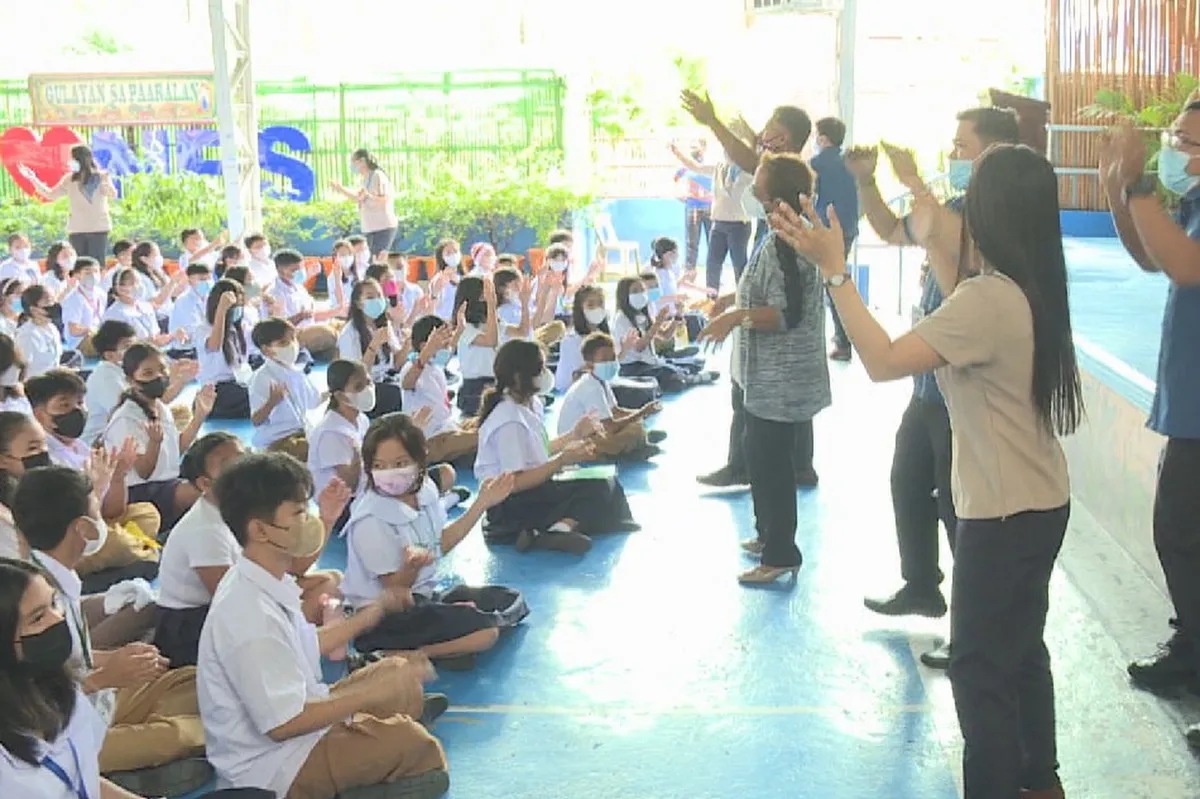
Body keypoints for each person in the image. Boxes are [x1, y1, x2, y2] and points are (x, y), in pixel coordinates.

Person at [772, 143, 1082, 799]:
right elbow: (954, 276)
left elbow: (883, 360)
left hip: (1002, 511)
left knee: (977, 668)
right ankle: (1040, 780)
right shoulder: (1026, 285)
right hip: (1041, 499)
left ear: (991, 211)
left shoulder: (989, 302)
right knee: (1022, 649)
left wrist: (835, 275)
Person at [851, 107, 1021, 671]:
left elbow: (962, 280)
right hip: (930, 384)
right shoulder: (946, 208)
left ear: (992, 154)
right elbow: (889, 230)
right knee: (908, 481)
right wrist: (866, 181)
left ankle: (967, 630)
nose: (954, 155)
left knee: (959, 512)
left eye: (962, 146)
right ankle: (921, 585)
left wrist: (914, 183)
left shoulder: (998, 219)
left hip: (962, 391)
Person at [199, 452, 450, 799]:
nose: (309, 520)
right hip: (274, 765)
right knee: (416, 745)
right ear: (259, 530)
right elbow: (282, 725)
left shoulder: (265, 577)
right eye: (298, 513)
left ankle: (381, 727)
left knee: (394, 672)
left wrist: (373, 611)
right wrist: (371, 695)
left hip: (300, 715)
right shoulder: (248, 614)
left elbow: (304, 644)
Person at [13, 467, 211, 795]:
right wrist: (105, 676)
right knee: (178, 736)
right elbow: (30, 697)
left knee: (190, 679)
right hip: (58, 733)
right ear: (82, 527)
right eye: (96, 510)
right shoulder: (26, 602)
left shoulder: (51, 584)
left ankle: (138, 760)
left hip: (94, 703)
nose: (104, 521)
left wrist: (116, 660)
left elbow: (74, 658)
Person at [1101, 103, 1200, 746]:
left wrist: (1139, 185)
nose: (1176, 147)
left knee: (1182, 532)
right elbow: (1151, 257)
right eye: (1175, 137)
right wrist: (1118, 187)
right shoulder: (1192, 203)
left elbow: (1188, 268)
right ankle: (1191, 646)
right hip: (1190, 404)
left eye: (1185, 139)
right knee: (1180, 533)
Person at [698, 153, 831, 585]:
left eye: (760, 187)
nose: (753, 191)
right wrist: (731, 301)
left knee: (773, 469)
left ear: (777, 198)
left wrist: (736, 317)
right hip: (766, 380)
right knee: (761, 460)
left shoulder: (789, 245)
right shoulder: (779, 236)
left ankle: (780, 554)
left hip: (781, 382)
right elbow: (763, 291)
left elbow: (785, 314)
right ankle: (767, 535)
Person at [342, 413, 524, 665]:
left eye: (400, 462)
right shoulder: (369, 518)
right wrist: (411, 567)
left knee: (507, 599)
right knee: (486, 632)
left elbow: (441, 543)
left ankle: (450, 645)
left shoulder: (424, 491)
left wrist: (482, 503)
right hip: (383, 618)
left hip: (422, 598)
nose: (389, 473)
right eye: (379, 466)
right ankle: (409, 655)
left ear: (420, 459)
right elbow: (396, 593)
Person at [0, 557, 152, 799]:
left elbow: (80, 779)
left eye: (54, 603)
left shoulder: (59, 690)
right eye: (38, 618)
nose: (58, 619)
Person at [474, 339, 637, 554]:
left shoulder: (530, 404)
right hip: (510, 506)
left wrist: (575, 434)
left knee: (607, 482)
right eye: (540, 369)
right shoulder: (508, 420)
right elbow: (513, 483)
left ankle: (556, 529)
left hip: (531, 489)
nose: (545, 375)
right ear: (518, 377)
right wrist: (561, 461)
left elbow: (539, 450)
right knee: (597, 490)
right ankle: (550, 532)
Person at [103, 344, 213, 532]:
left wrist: (200, 415)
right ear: (131, 380)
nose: (158, 377)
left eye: (162, 370)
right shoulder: (126, 418)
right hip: (140, 492)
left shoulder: (160, 408)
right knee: (202, 494)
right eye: (148, 373)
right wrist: (154, 443)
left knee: (216, 479)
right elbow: (144, 472)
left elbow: (176, 450)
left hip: (167, 483)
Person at [557, 332, 664, 461]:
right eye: (604, 359)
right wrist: (642, 412)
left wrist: (642, 413)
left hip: (593, 431)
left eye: (613, 357)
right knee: (632, 430)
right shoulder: (590, 388)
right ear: (590, 364)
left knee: (635, 425)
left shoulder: (600, 380)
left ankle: (638, 441)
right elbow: (610, 426)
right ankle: (634, 447)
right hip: (575, 442)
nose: (611, 362)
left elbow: (615, 410)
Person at [810, 117, 861, 361]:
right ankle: (845, 337)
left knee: (831, 284)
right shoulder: (850, 162)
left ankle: (842, 341)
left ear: (822, 138)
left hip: (827, 228)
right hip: (848, 226)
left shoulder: (818, 163)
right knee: (837, 280)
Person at [19, 144, 116, 263]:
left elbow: (112, 194)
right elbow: (50, 194)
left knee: (96, 263)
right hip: (77, 229)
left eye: (72, 159)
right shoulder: (69, 179)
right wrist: (33, 179)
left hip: (98, 228)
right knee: (77, 265)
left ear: (81, 159)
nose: (69, 162)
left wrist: (106, 183)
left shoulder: (101, 176)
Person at [249, 318, 323, 461]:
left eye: (293, 339)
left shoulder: (296, 371)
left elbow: (315, 401)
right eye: (283, 343)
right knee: (316, 451)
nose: (292, 345)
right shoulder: (261, 378)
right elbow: (256, 420)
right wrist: (272, 402)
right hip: (278, 440)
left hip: (301, 433)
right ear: (266, 350)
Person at [337, 279, 404, 418]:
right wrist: (373, 346)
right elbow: (356, 376)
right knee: (396, 394)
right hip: (364, 389)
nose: (376, 300)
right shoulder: (350, 333)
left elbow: (397, 364)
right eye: (370, 297)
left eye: (379, 296)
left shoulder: (384, 325)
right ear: (358, 303)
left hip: (386, 380)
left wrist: (410, 343)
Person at [270, 249, 344, 363]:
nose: (300, 272)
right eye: (295, 270)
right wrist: (300, 316)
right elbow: (278, 328)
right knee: (328, 334)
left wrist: (336, 311)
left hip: (311, 326)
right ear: (281, 271)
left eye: (301, 268)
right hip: (293, 335)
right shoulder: (275, 294)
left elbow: (313, 314)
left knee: (347, 328)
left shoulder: (298, 287)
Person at [199, 280, 252, 419]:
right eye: (235, 307)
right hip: (217, 391)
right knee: (256, 395)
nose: (238, 310)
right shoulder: (204, 329)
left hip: (237, 383)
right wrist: (222, 310)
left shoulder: (236, 328)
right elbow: (215, 345)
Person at [332, 148, 399, 255]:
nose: (352, 166)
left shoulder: (377, 175)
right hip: (370, 227)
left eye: (354, 162)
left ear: (362, 161)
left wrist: (369, 195)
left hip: (383, 226)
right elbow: (358, 198)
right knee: (371, 260)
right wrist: (341, 189)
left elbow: (385, 198)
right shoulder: (365, 179)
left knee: (378, 261)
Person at [452, 275, 499, 416]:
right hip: (474, 389)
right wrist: (491, 305)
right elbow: (491, 341)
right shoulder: (465, 327)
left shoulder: (486, 323)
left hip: (493, 382)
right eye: (483, 295)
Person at [672, 138, 714, 271]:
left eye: (697, 146)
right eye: (692, 147)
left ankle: (713, 272)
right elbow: (674, 181)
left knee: (713, 241)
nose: (695, 150)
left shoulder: (710, 165)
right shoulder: (685, 167)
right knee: (692, 242)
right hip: (693, 207)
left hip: (710, 207)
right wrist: (679, 195)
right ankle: (690, 272)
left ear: (704, 148)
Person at [15, 284, 67, 377]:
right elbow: (22, 371)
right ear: (34, 310)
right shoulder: (27, 335)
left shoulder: (52, 328)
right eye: (48, 302)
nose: (53, 305)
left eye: (54, 300)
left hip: (53, 382)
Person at [60, 256, 106, 356]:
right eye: (87, 272)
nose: (93, 275)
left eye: (96, 271)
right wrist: (91, 330)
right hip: (80, 341)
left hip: (98, 335)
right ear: (77, 275)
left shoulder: (101, 293)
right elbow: (74, 330)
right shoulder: (73, 298)